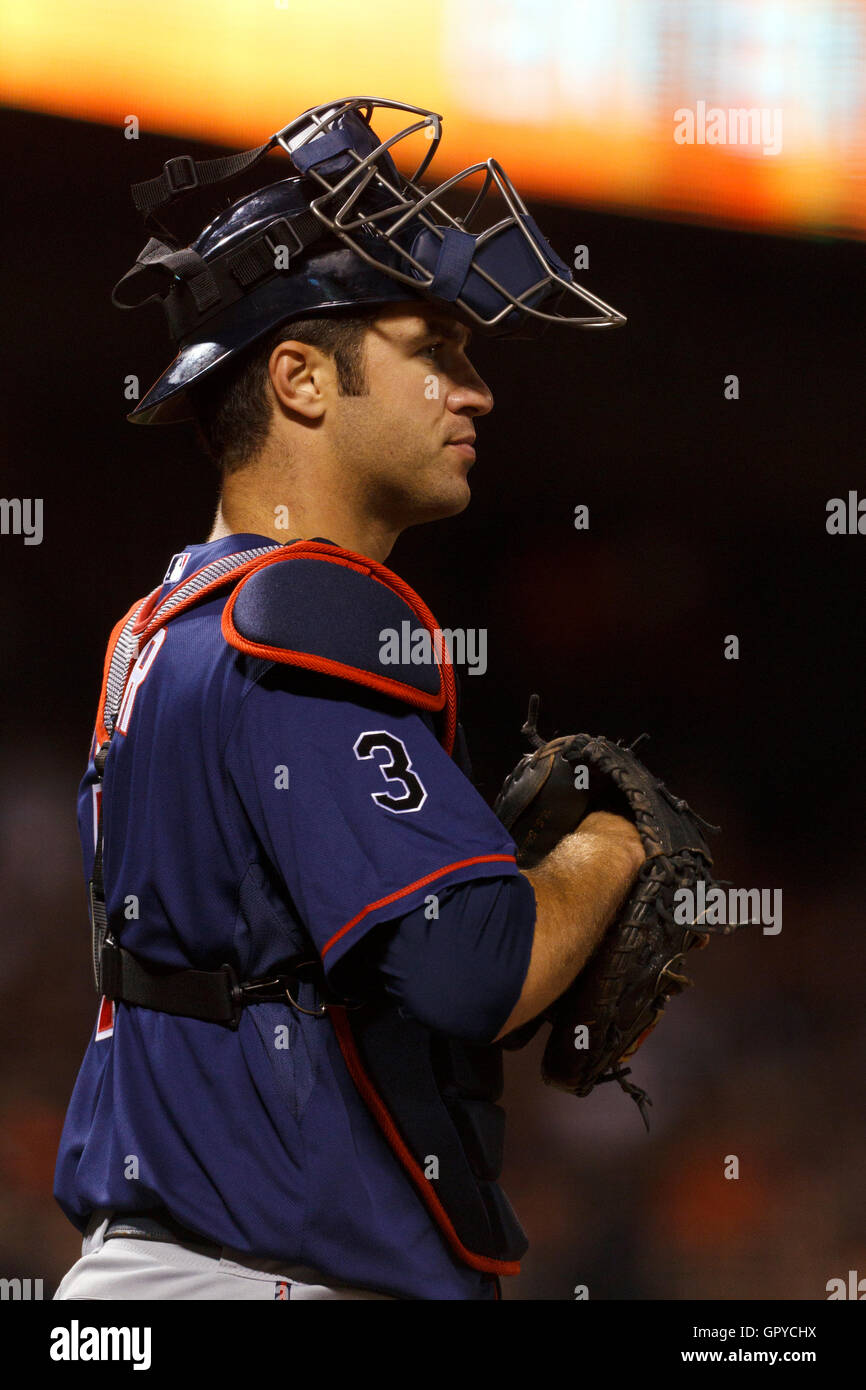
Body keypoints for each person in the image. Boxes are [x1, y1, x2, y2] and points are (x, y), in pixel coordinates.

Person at [53, 97, 640, 1301]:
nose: (473, 393)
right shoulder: (313, 616)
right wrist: (608, 846)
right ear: (301, 379)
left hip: (157, 1278)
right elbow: (471, 969)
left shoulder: (165, 620)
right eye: (435, 351)